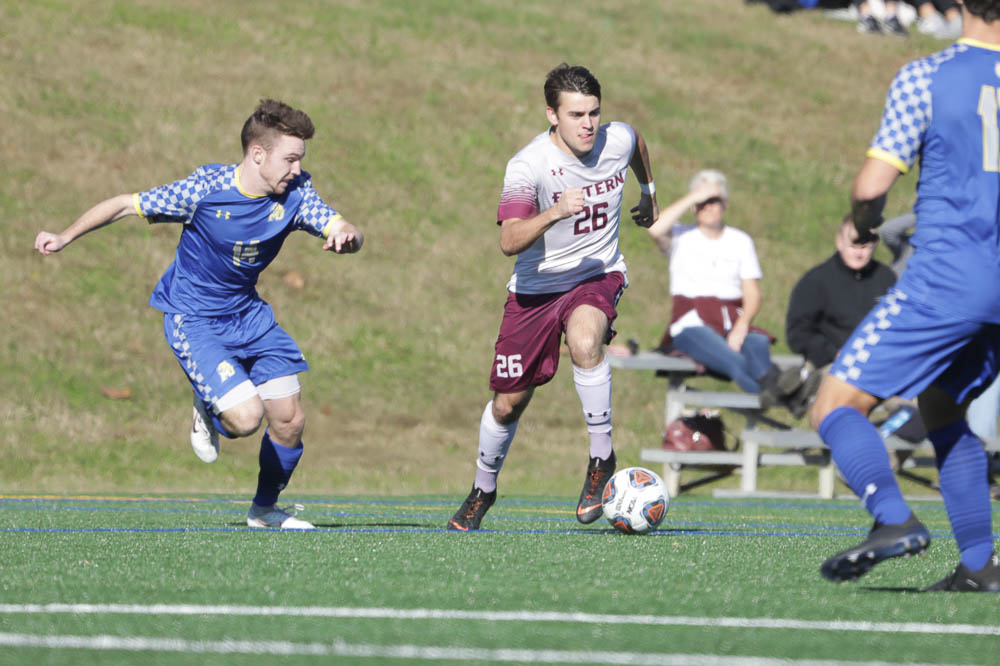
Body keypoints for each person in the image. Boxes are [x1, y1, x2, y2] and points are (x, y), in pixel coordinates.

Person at [34, 99, 363, 530]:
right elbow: (124, 204)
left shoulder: (297, 194)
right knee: (246, 419)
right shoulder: (205, 190)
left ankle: (264, 510)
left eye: (300, 159)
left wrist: (348, 236)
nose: (297, 169)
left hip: (249, 316)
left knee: (289, 419)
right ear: (257, 154)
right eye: (290, 159)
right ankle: (208, 401)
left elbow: (337, 224)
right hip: (195, 318)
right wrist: (64, 236)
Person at [810, 0, 1000, 592]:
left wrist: (863, 221)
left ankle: (893, 519)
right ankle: (979, 565)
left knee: (835, 405)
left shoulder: (929, 75)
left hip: (947, 278)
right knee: (943, 407)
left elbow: (872, 184)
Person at [446, 63, 658, 531]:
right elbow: (509, 240)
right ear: (551, 115)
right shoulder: (529, 166)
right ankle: (483, 489)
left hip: (596, 275)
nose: (588, 124)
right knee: (507, 404)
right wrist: (555, 211)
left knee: (586, 341)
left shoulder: (615, 139)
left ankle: (601, 459)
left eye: (594, 113)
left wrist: (649, 191)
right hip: (535, 291)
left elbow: (635, 141)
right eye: (577, 114)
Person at [645, 170, 794, 408]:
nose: (709, 207)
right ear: (694, 206)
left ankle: (782, 392)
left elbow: (752, 292)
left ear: (725, 204)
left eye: (715, 200)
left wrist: (742, 326)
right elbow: (654, 229)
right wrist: (694, 196)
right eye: (703, 202)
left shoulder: (740, 241)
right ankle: (790, 399)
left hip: (732, 319)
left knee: (757, 346)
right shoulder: (681, 236)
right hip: (691, 323)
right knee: (734, 361)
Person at [783, 214, 896, 417]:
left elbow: (899, 325)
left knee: (915, 411)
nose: (859, 253)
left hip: (880, 367)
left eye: (866, 246)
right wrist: (832, 353)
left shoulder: (886, 278)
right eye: (854, 244)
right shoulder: (817, 280)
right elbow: (798, 333)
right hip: (834, 366)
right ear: (839, 241)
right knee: (843, 409)